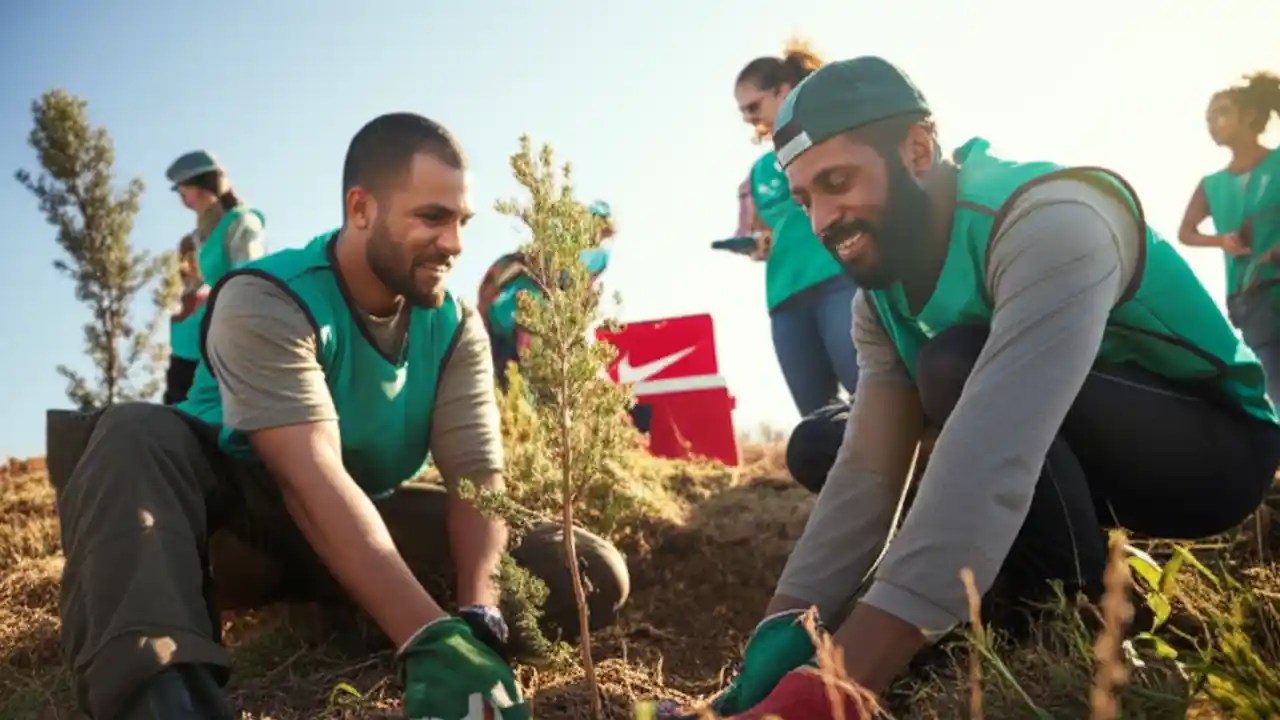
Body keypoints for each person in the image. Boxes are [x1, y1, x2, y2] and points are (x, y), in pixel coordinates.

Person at [674, 56, 1280, 720]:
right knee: (823, 442)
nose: (822, 221)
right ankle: (980, 588)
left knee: (954, 362)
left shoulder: (1051, 218)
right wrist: (783, 634)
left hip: (1211, 455)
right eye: (804, 199)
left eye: (838, 182)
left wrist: (838, 688)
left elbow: (992, 448)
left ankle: (1071, 616)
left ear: (917, 149)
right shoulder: (879, 302)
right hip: (1052, 444)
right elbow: (869, 475)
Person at [53, 112, 630, 720]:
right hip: (232, 530)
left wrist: (476, 616)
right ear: (361, 208)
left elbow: (477, 476)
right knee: (131, 433)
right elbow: (308, 477)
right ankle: (166, 695)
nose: (456, 243)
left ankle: (365, 620)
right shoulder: (267, 296)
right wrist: (424, 632)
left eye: (462, 221)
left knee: (583, 567)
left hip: (361, 517)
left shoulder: (454, 324)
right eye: (431, 217)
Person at [730, 39, 860, 417]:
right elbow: (758, 241)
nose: (749, 118)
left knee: (871, 396)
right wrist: (752, 240)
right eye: (742, 112)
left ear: (783, 91)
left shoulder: (831, 137)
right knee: (818, 417)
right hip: (785, 300)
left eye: (754, 106)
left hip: (839, 280)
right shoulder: (757, 172)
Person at [1178, 71, 1280, 402]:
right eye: (1209, 118)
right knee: (1273, 386)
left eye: (1222, 113)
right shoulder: (1211, 185)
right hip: (1252, 296)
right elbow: (1186, 232)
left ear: (1249, 115)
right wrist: (1221, 240)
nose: (1213, 124)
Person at [163, 150, 268, 405]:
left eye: (182, 191)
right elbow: (197, 284)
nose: (182, 200)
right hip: (204, 325)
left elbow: (249, 275)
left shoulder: (240, 221)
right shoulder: (200, 235)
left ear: (198, 187)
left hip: (234, 316)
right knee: (182, 342)